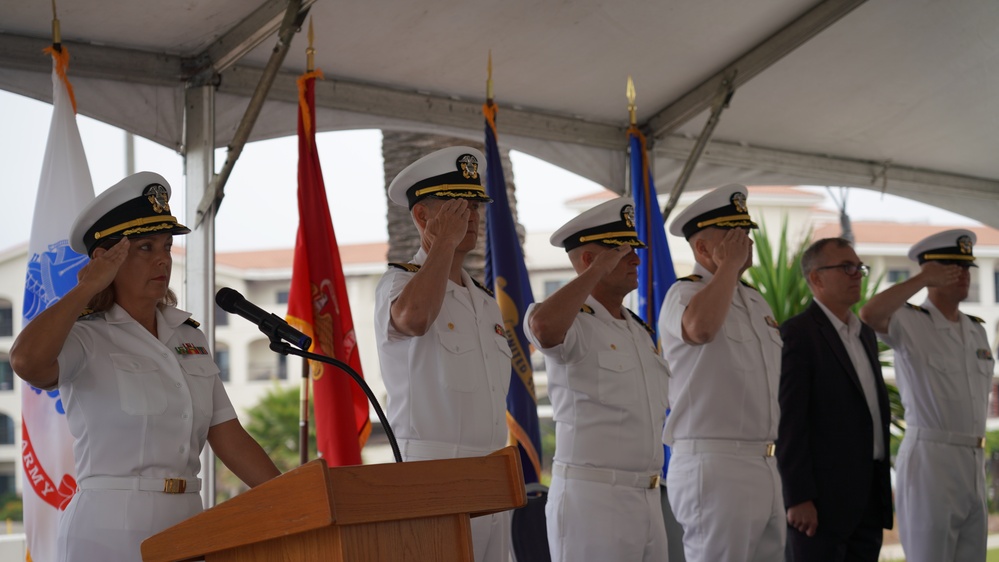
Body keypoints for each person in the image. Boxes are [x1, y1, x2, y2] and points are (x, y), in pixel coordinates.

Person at [9, 172, 281, 562]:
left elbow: (228, 436)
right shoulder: (85, 336)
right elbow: (26, 362)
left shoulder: (189, 337)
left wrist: (293, 498)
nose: (162, 259)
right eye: (145, 247)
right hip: (108, 529)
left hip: (188, 520)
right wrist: (86, 288)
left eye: (167, 247)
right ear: (107, 260)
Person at [373, 146, 512, 562]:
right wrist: (442, 248)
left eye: (475, 207)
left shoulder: (484, 300)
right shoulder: (398, 283)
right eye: (457, 207)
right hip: (432, 477)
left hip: (492, 479)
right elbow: (414, 318)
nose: (471, 216)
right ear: (422, 217)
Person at [524, 197, 670, 562]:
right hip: (595, 501)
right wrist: (592, 275)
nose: (637, 259)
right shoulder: (571, 321)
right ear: (590, 260)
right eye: (622, 252)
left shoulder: (637, 329)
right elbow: (542, 329)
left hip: (649, 497)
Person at [658, 184, 784, 562]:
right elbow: (701, 329)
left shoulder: (755, 300)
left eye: (746, 234)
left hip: (764, 460)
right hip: (714, 463)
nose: (744, 242)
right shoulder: (683, 294)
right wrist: (728, 266)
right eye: (732, 236)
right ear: (701, 249)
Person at [860, 229, 993, 562]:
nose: (963, 275)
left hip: (973, 458)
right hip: (932, 458)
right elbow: (869, 314)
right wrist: (919, 281)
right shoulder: (909, 320)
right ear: (930, 272)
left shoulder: (976, 329)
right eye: (953, 267)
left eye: (966, 268)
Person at [777, 238, 893, 561]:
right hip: (820, 505)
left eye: (859, 267)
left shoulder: (864, 334)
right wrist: (797, 497)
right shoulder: (798, 333)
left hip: (868, 498)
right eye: (846, 267)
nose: (857, 274)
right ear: (816, 278)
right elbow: (789, 421)